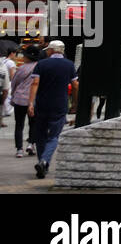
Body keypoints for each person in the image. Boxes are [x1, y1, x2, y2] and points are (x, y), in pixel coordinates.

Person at [27, 40, 78, 179]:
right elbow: (75, 85)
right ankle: (45, 161)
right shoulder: (69, 65)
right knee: (54, 136)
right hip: (60, 104)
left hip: (42, 104)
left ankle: (42, 162)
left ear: (51, 51)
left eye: (48, 50)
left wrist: (30, 103)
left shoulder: (41, 64)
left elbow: (35, 83)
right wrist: (75, 103)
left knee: (40, 135)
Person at [10, 45, 39, 157]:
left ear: (27, 57)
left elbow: (14, 83)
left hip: (20, 99)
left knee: (19, 125)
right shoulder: (40, 67)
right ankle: (31, 144)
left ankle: (19, 150)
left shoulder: (22, 68)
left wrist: (13, 95)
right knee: (33, 123)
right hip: (34, 100)